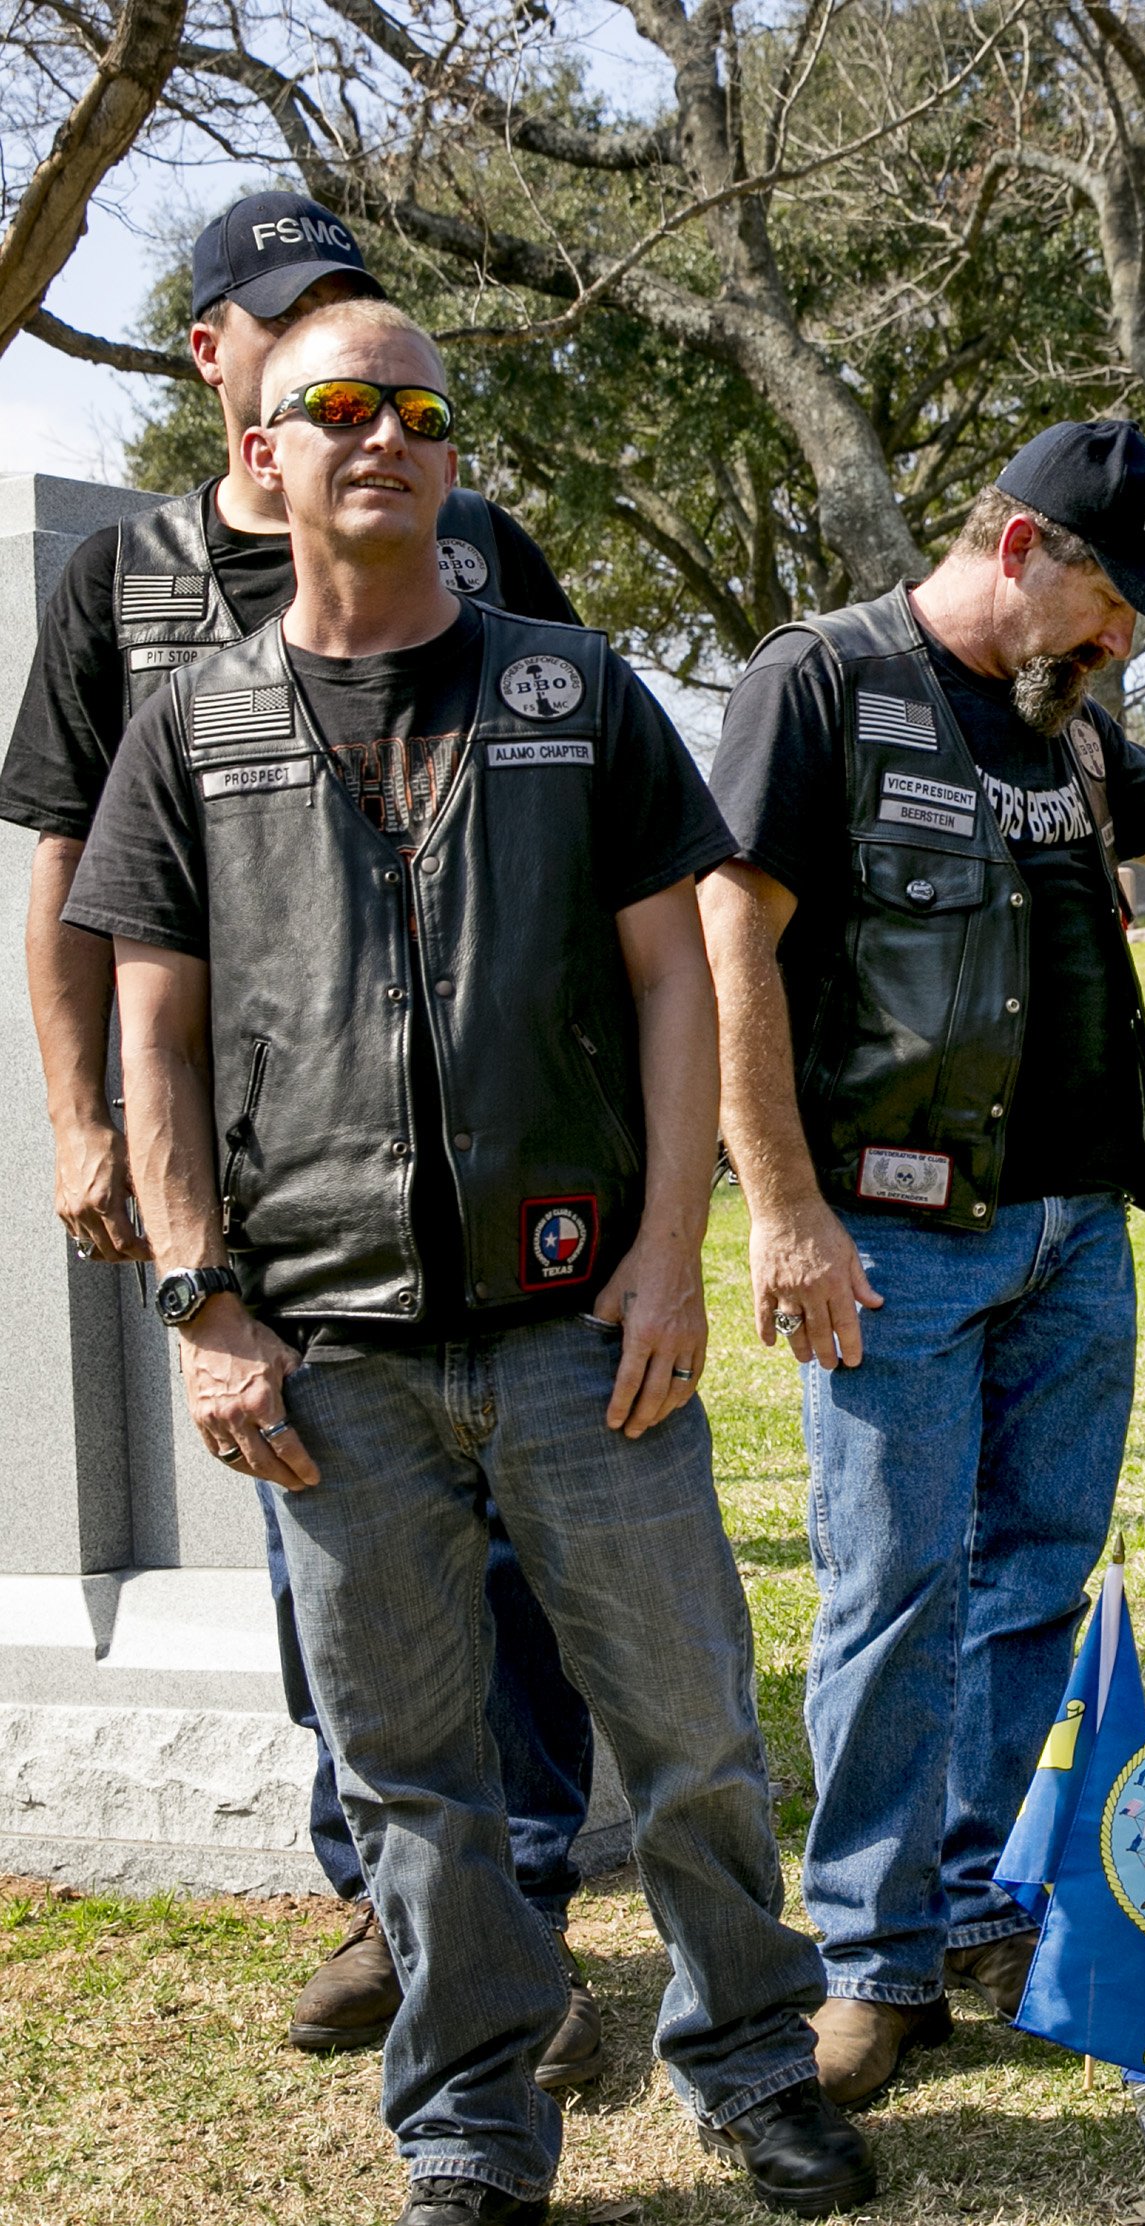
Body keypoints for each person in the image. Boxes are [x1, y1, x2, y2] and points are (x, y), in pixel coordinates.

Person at [67, 294, 869, 2225]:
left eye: (418, 407)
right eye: (333, 405)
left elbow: (677, 980)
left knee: (689, 1735)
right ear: (258, 452)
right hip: (330, 1365)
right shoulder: (193, 726)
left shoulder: (575, 692)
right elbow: (152, 1032)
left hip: (578, 1334)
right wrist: (202, 1303)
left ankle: (755, 2062)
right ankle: (472, 2126)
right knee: (415, 1782)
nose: (383, 435)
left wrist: (670, 1254)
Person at [0, 189, 603, 2079]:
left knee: (519, 1554)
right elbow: (61, 874)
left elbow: (580, 813)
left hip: (490, 1163)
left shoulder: (479, 539)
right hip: (272, 1171)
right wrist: (80, 1110)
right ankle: (384, 1888)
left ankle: (522, 1891)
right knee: (315, 1546)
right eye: (299, 324)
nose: (364, 391)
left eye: (372, 330)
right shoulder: (131, 589)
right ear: (215, 364)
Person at [700, 419, 1145, 2104]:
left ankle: (962, 1905)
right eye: (1109, 601)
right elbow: (733, 933)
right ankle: (870, 1958)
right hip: (893, 1237)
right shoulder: (819, 685)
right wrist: (785, 1207)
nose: (1118, 644)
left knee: (1030, 1572)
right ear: (1019, 548)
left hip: (1076, 1230)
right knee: (893, 1591)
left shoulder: (1073, 730)